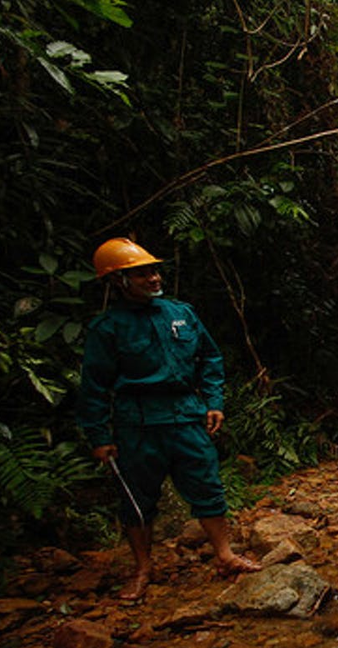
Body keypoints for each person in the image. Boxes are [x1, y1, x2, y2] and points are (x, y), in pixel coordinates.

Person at [76, 237, 260, 602]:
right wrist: (99, 436)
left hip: (187, 416)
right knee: (137, 499)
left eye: (154, 271)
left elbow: (210, 358)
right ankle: (143, 569)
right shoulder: (107, 328)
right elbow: (93, 386)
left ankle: (224, 555)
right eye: (141, 274)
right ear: (118, 282)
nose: (153, 278)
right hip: (137, 424)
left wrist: (214, 401)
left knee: (207, 486)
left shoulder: (181, 314)